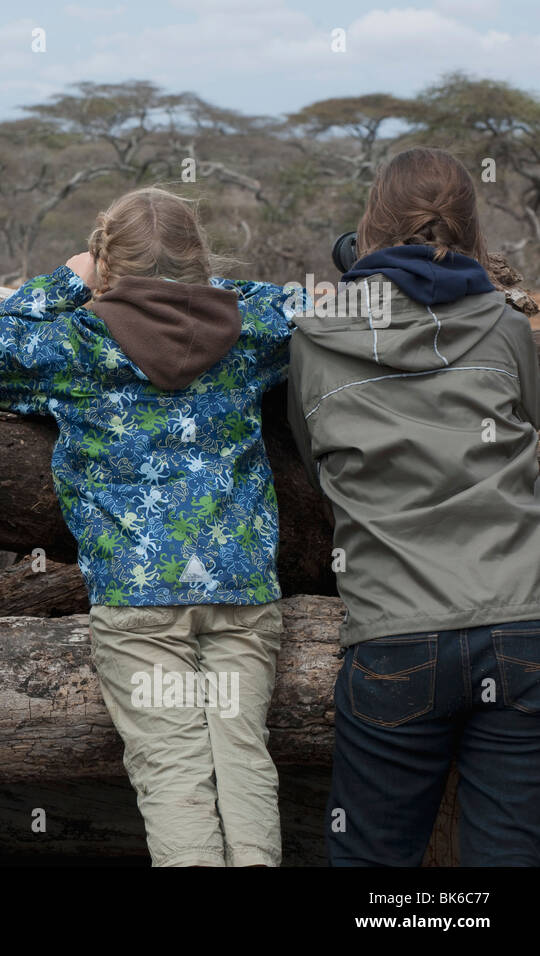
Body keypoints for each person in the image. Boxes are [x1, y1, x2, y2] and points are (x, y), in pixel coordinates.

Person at [0, 186, 295, 866]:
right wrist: (199, 284)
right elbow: (300, 305)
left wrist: (71, 278)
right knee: (244, 765)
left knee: (175, 776)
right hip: (242, 593)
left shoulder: (78, 343)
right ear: (199, 262)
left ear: (107, 264)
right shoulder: (249, 331)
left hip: (139, 600)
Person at [287, 146, 540, 866]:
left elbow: (316, 462)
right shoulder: (504, 325)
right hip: (521, 623)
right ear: (471, 228)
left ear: (370, 223)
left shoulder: (316, 337)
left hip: (394, 631)